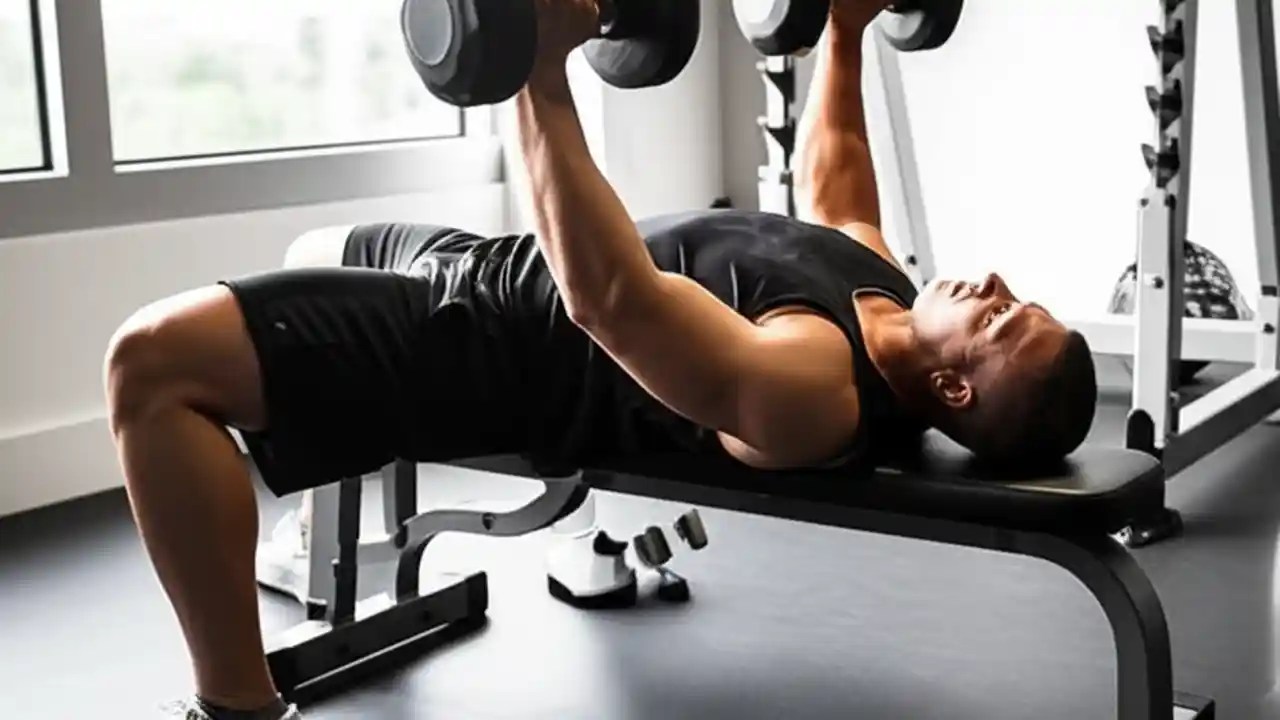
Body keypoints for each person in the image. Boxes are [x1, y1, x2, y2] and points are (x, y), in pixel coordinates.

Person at [102, 1, 1097, 717]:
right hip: (488, 266)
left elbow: (608, 302)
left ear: (953, 385)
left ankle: (235, 706)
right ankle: (292, 527)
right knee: (307, 256)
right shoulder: (880, 283)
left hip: (482, 349)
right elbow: (832, 191)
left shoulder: (814, 390)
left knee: (152, 366)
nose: (997, 283)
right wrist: (839, 31)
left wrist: (536, 73)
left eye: (1002, 321)